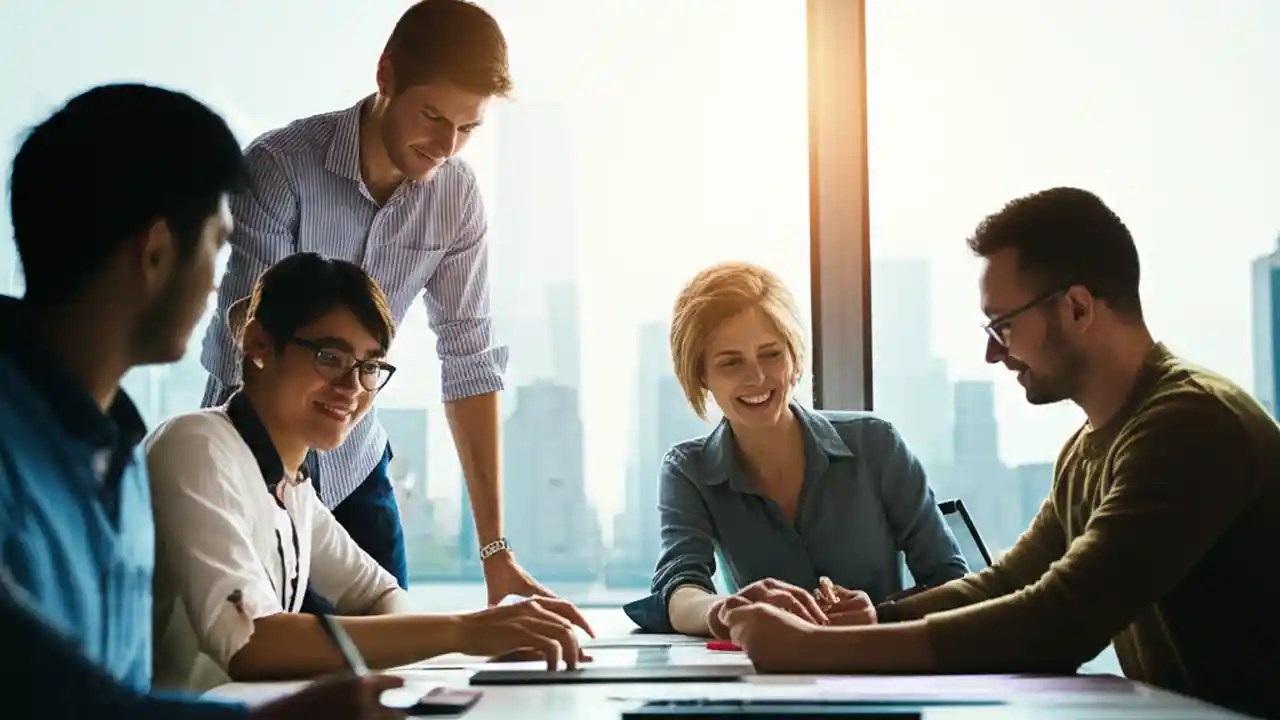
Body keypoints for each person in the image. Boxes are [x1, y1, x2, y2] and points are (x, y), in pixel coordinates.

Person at [720, 188, 1280, 718]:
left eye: (1003, 326)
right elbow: (1010, 581)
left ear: (1079, 309)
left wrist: (814, 651)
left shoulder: (1189, 424)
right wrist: (870, 619)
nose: (992, 353)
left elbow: (1060, 621)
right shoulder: (1091, 445)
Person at [0, 83, 408, 718]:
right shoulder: (34, 455)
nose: (223, 281)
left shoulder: (118, 464)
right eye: (220, 244)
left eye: (367, 368)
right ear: (158, 251)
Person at [200, 0, 555, 612]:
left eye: (467, 129)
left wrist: (496, 555)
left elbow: (469, 360)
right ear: (385, 76)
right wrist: (278, 481)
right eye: (433, 116)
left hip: (354, 465)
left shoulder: (456, 199)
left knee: (394, 675)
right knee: (262, 671)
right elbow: (247, 330)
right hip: (251, 459)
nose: (446, 145)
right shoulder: (282, 165)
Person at [148, 253, 591, 692]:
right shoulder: (198, 447)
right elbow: (251, 643)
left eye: (370, 366)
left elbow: (378, 594)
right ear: (258, 344)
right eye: (330, 356)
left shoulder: (292, 484)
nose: (352, 387)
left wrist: (480, 640)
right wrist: (465, 632)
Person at [623, 262, 967, 636]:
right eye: (731, 362)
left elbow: (951, 580)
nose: (756, 377)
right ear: (701, 374)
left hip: (880, 669)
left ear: (794, 358)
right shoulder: (689, 470)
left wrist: (882, 613)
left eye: (771, 354)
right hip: (770, 677)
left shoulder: (876, 444)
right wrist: (733, 611)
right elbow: (680, 588)